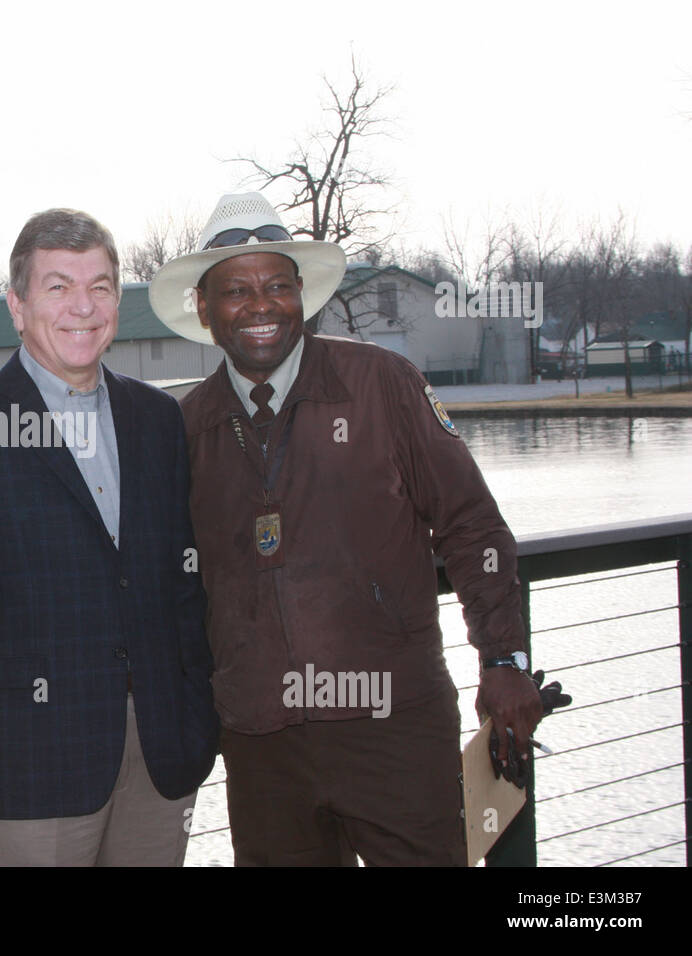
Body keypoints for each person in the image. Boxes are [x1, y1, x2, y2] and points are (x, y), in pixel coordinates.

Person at [148, 192, 543, 866]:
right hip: (261, 745)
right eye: (236, 290)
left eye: (277, 285)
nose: (260, 304)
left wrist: (503, 659)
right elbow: (168, 587)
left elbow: (471, 525)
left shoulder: (382, 384)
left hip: (394, 726)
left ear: (302, 294)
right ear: (205, 310)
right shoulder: (184, 430)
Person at [0, 208, 218, 866]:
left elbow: (182, 585)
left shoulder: (158, 419)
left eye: (100, 287)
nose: (83, 306)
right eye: (58, 286)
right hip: (28, 769)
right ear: (18, 307)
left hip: (159, 759)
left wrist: (198, 717)